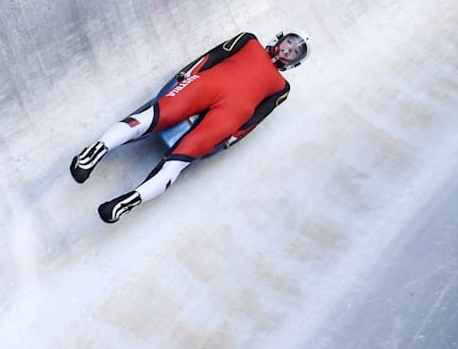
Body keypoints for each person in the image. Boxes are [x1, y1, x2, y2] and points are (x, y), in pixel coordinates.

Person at [70, 31, 309, 223]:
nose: (289, 49)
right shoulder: (248, 40)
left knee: (181, 159)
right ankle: (94, 153)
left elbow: (255, 119)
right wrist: (185, 75)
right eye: (290, 42)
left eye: (295, 52)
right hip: (207, 85)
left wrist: (231, 139)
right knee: (155, 116)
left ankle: (129, 200)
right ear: (281, 38)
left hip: (230, 114)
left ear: (294, 62)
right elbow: (212, 57)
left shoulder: (282, 88)